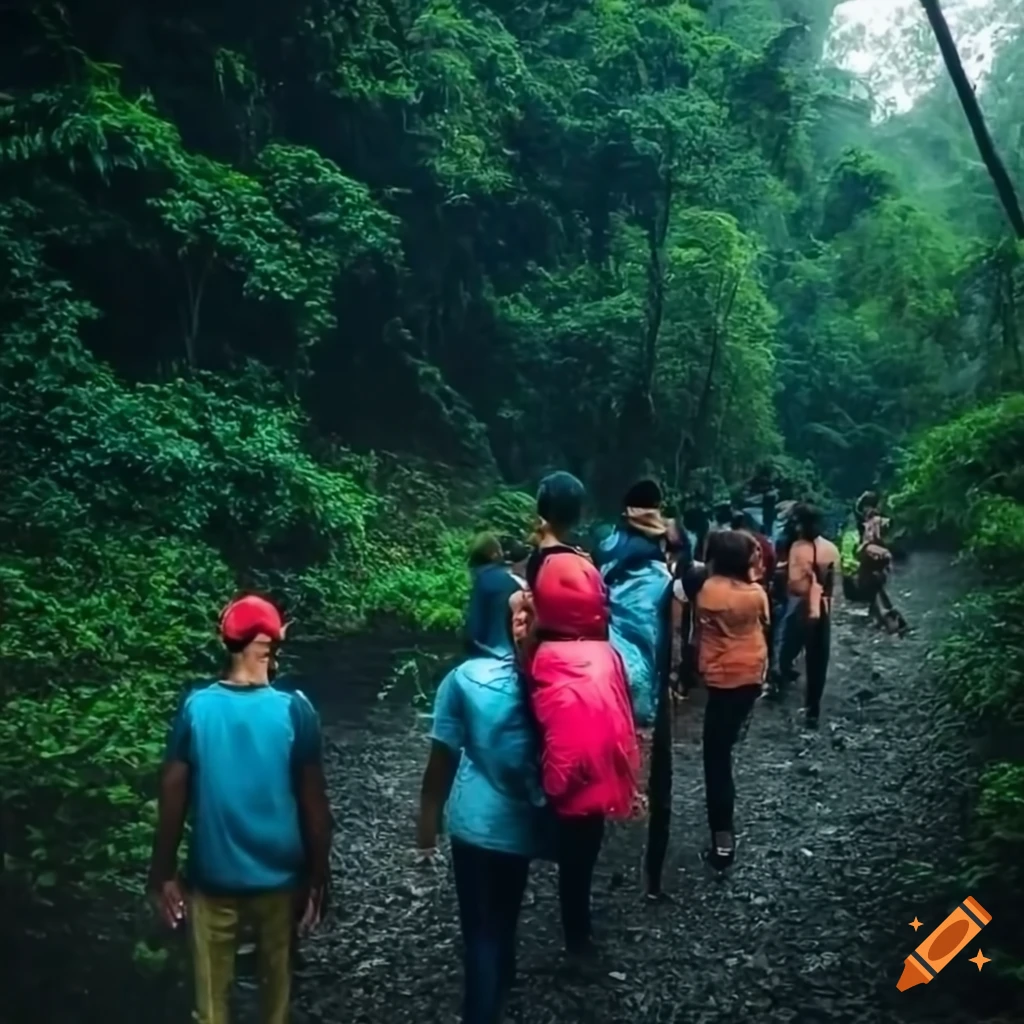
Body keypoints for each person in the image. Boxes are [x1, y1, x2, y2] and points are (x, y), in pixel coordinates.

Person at [148, 595, 331, 1024]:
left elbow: (172, 792)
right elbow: (315, 807)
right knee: (276, 1002)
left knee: (211, 1006)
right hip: (280, 881)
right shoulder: (295, 710)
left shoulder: (196, 708)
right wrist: (319, 875)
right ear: (268, 643)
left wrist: (162, 873)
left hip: (213, 879)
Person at [416, 564, 549, 1024]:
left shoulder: (463, 678)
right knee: (507, 911)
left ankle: (481, 1008)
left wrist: (427, 822)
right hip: (522, 819)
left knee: (478, 929)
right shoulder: (542, 673)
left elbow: (442, 758)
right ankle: (502, 979)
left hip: (472, 822)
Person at [516, 471, 639, 956]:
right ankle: (579, 923)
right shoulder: (585, 562)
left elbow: (534, 628)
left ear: (541, 510)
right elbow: (600, 617)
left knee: (549, 768)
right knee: (593, 786)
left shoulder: (539, 562)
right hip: (600, 668)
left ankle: (566, 912)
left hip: (557, 670)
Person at [594, 479, 675, 900]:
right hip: (639, 652)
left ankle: (604, 786)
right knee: (636, 723)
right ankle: (627, 791)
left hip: (600, 645)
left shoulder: (605, 547)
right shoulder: (661, 568)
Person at [693, 530, 768, 869]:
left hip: (722, 679)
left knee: (716, 759)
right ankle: (723, 833)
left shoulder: (709, 589)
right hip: (751, 675)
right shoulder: (756, 593)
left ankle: (722, 840)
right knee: (725, 746)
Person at [777, 504, 840, 727]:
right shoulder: (831, 548)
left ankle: (782, 683)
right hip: (824, 608)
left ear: (800, 524)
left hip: (801, 607)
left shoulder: (798, 548)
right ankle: (813, 709)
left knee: (785, 649)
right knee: (818, 661)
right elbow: (833, 584)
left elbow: (794, 585)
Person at [464, 533, 522, 658]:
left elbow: (474, 631)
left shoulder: (481, 581)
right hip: (514, 654)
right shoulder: (511, 579)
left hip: (489, 654)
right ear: (494, 554)